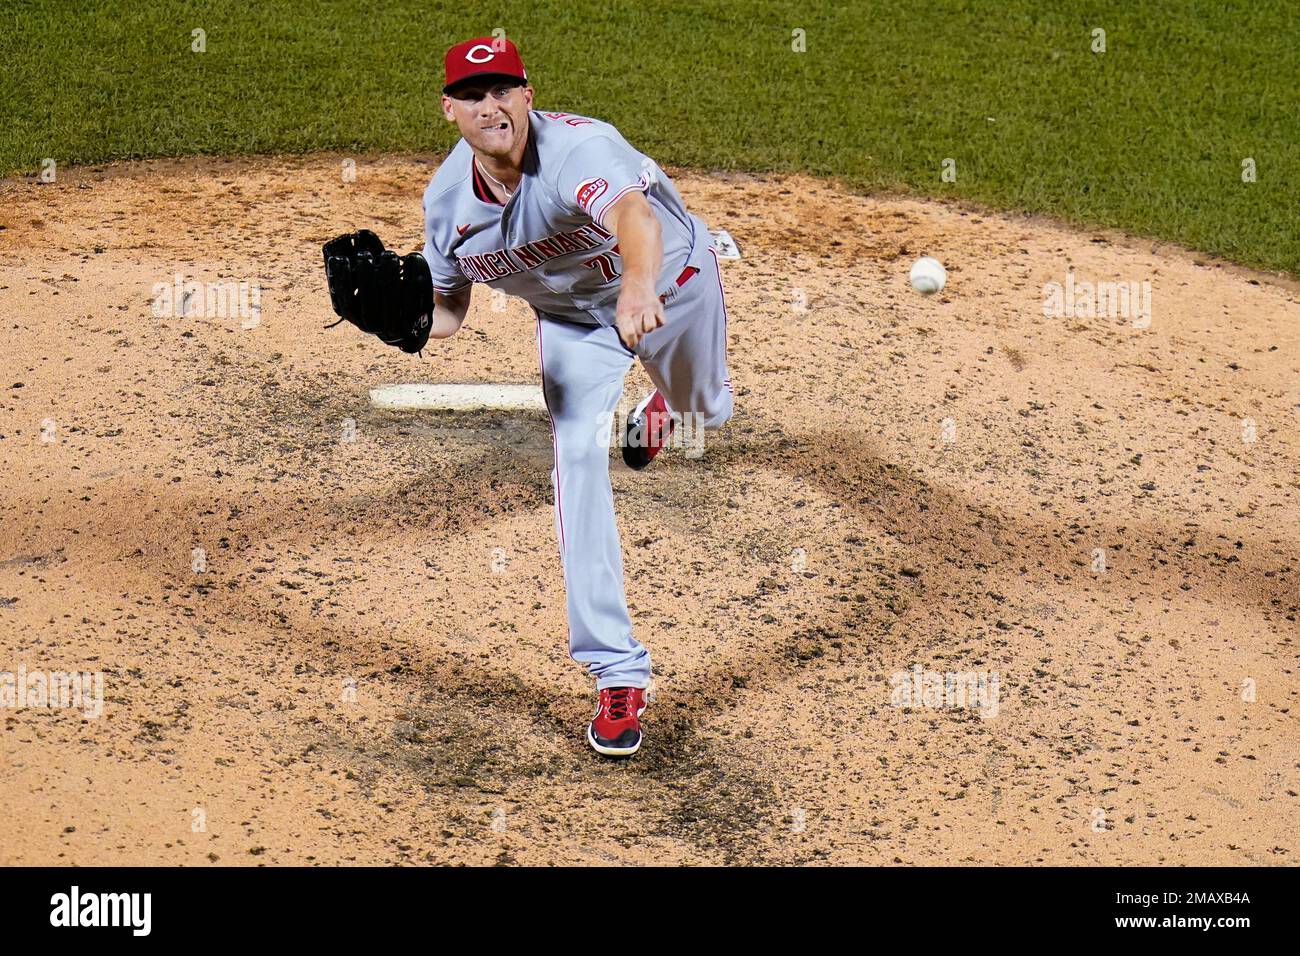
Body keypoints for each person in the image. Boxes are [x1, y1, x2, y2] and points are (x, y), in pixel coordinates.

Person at [420, 36, 734, 757]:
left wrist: (634, 283)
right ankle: (616, 672)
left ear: (528, 94)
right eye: (472, 95)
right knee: (577, 458)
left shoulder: (578, 152)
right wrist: (399, 323)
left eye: (502, 90)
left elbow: (635, 219)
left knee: (706, 408)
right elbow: (445, 314)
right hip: (574, 328)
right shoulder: (447, 205)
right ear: (450, 110)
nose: (489, 106)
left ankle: (674, 407)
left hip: (670, 289)